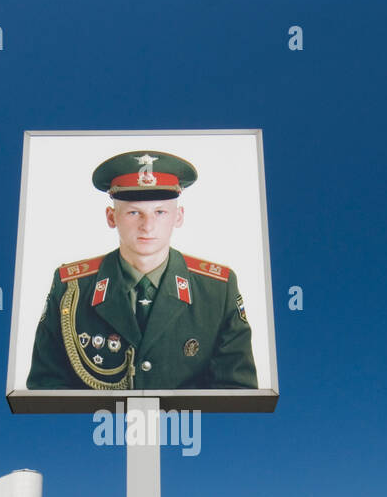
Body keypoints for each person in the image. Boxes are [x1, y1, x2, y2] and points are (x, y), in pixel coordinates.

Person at [26, 150, 257, 392]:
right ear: (111, 216)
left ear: (178, 216)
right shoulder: (71, 288)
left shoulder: (217, 290)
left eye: (160, 212)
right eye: (134, 212)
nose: (148, 226)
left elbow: (237, 398)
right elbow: (46, 391)